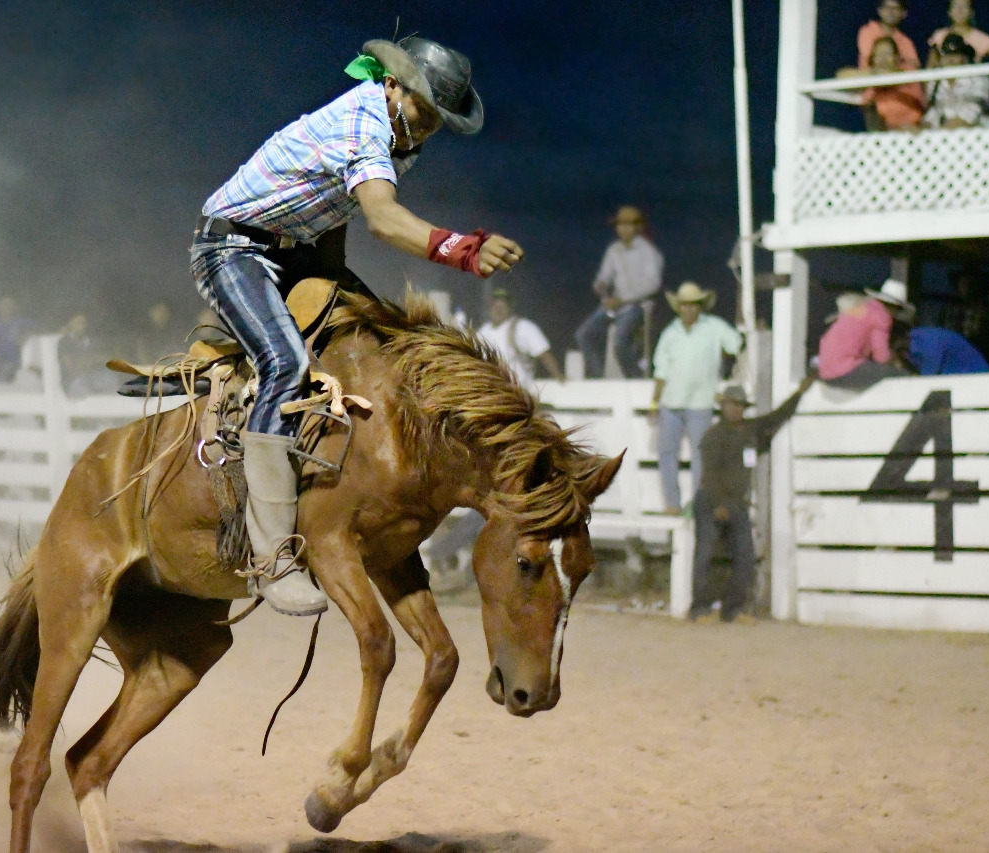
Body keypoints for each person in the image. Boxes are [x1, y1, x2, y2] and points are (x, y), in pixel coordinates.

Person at [191, 36, 522, 616]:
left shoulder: (396, 135)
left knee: (388, 347)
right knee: (285, 363)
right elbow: (384, 219)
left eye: (439, 119)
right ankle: (270, 557)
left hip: (301, 252)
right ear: (392, 85)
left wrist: (339, 286)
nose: (427, 126)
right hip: (233, 248)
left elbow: (335, 212)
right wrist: (464, 251)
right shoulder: (365, 124)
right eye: (423, 108)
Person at [689, 377, 815, 623]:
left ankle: (731, 610)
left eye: (739, 405)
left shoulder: (749, 430)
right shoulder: (714, 436)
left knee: (745, 557)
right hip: (713, 501)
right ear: (724, 406)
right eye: (732, 404)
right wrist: (719, 504)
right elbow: (709, 476)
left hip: (735, 503)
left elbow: (777, 416)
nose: (735, 409)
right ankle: (700, 608)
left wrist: (798, 394)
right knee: (704, 554)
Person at [650, 282, 743, 515]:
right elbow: (660, 372)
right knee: (666, 453)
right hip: (671, 403)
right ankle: (672, 503)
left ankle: (699, 505)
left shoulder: (714, 327)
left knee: (700, 457)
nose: (689, 309)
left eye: (693, 305)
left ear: (700, 307)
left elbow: (735, 345)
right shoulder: (670, 333)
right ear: (679, 307)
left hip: (700, 403)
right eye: (685, 305)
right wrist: (654, 403)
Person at [575, 205, 664, 378]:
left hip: (638, 306)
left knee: (620, 343)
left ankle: (634, 379)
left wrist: (622, 299)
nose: (622, 229)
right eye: (620, 224)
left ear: (638, 227)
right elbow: (606, 273)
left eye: (628, 224)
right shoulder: (614, 250)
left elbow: (652, 285)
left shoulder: (649, 253)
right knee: (584, 334)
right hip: (615, 306)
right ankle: (596, 377)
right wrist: (601, 282)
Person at [817, 281, 914, 389]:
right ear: (894, 307)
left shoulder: (860, 309)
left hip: (825, 371)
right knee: (903, 376)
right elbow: (881, 356)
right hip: (845, 370)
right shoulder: (881, 317)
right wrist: (895, 363)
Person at [475, 288, 564, 386]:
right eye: (495, 306)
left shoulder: (523, 328)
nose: (498, 310)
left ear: (510, 308)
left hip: (517, 391)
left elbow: (544, 354)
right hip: (490, 392)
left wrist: (558, 377)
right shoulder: (482, 332)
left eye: (502, 306)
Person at [923, 34, 989, 129]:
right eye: (946, 55)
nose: (950, 60)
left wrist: (946, 130)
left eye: (955, 55)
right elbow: (934, 112)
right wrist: (923, 126)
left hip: (986, 134)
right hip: (949, 136)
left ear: (965, 58)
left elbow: (972, 113)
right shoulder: (936, 84)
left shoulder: (979, 79)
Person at [859, 36, 926, 131]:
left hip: (914, 133)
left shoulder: (909, 75)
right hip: (884, 137)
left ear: (897, 57)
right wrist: (873, 73)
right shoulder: (871, 82)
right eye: (878, 55)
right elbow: (843, 74)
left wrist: (879, 74)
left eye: (887, 54)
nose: (883, 59)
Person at [927, 0, 989, 65]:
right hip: (945, 86)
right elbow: (931, 65)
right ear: (949, 12)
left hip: (971, 85)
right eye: (956, 6)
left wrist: (987, 74)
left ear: (971, 12)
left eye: (964, 6)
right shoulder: (939, 35)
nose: (960, 10)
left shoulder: (980, 38)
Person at [894, 324, 989, 375]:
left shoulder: (928, 341)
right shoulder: (914, 341)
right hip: (960, 381)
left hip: (977, 379)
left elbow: (927, 380)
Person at [857, 0, 919, 71]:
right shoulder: (867, 31)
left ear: (903, 13)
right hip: (869, 79)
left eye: (895, 8)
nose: (890, 12)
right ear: (879, 10)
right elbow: (870, 60)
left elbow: (914, 65)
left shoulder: (905, 41)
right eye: (886, 7)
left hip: (896, 81)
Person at [0, 296, 31, 383]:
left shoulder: (21, 322)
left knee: (2, 379)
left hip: (14, 359)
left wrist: (24, 339)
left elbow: (35, 333)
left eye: (8, 305)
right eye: (3, 305)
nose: (5, 308)